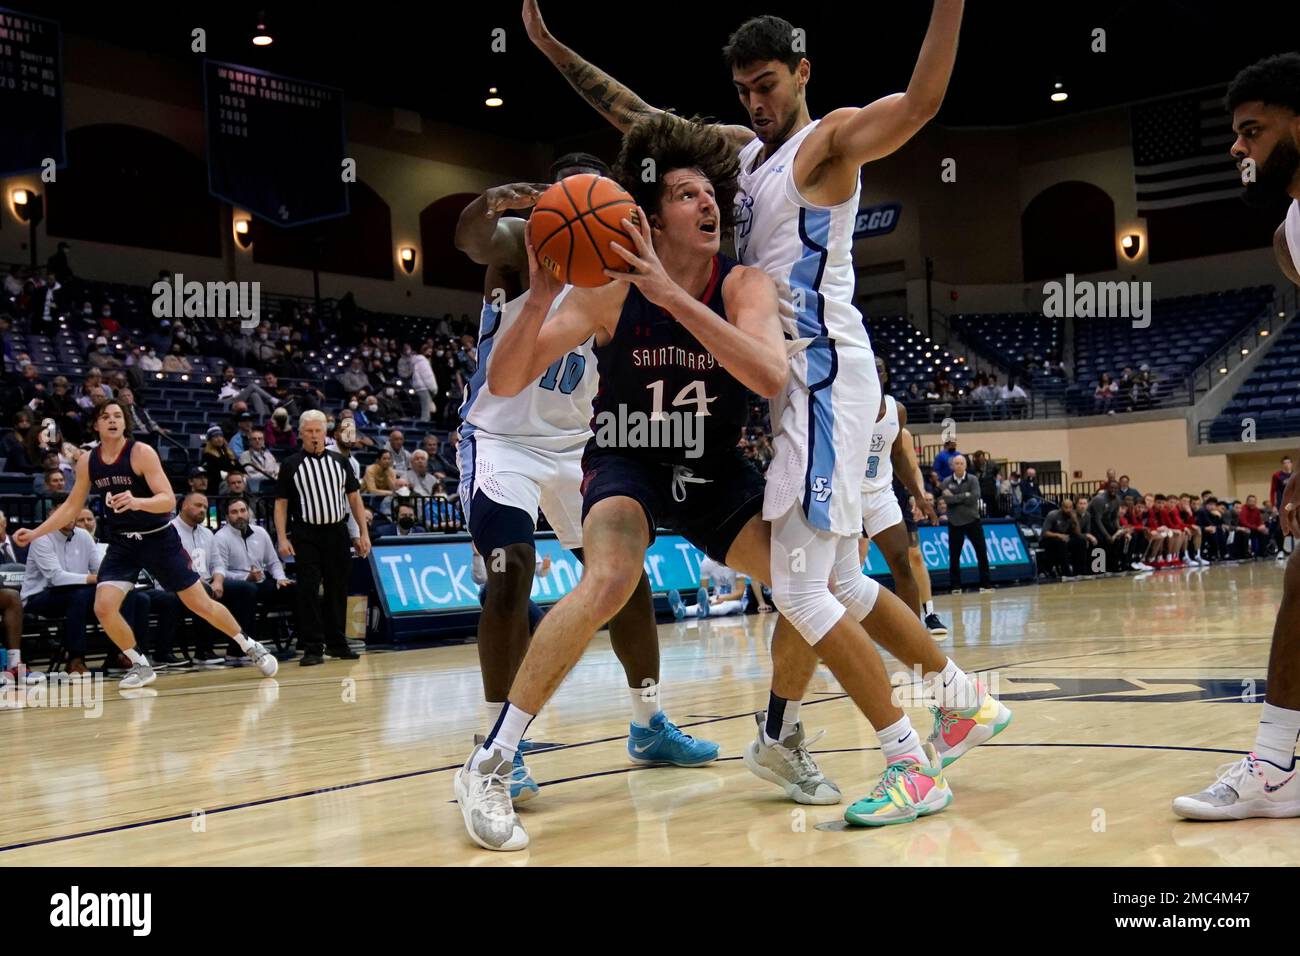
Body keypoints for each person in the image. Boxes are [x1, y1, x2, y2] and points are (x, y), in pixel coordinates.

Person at [529, 0, 1006, 828]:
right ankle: (960, 698)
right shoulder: (743, 154)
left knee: (798, 585)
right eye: (744, 88)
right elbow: (640, 116)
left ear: (802, 74)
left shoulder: (825, 149)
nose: (755, 101)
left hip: (820, 375)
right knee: (841, 577)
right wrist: (549, 46)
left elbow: (921, 103)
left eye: (768, 84)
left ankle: (910, 765)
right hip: (790, 387)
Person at [453, 149, 715, 805]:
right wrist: (495, 203)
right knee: (512, 568)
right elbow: (471, 237)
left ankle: (649, 723)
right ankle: (495, 747)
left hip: (578, 445)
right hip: (502, 438)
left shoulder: (623, 268)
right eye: (571, 191)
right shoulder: (524, 248)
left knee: (626, 578)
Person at [1175, 52, 1300, 819]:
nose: (1238, 147)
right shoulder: (1290, 230)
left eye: (1253, 131)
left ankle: (1280, 764)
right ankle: (1279, 763)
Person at [13, 400, 277, 689]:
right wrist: (36, 532)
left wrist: (136, 501)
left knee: (199, 603)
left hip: (158, 538)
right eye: (106, 416)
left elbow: (167, 499)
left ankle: (249, 644)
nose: (113, 420)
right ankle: (139, 664)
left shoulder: (141, 453)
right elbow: (72, 506)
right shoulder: (89, 461)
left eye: (118, 415)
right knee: (104, 606)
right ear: (96, 425)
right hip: (123, 543)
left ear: (125, 423)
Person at [273, 410, 371, 666]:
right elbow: (281, 504)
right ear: (301, 434)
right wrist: (282, 538)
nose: (314, 435)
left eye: (318, 431)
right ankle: (313, 647)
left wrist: (362, 532)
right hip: (306, 533)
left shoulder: (340, 462)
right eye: (309, 431)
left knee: (338, 589)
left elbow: (354, 499)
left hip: (336, 532)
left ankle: (338, 643)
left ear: (325, 433)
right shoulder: (291, 464)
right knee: (307, 590)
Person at [212, 497, 292, 658]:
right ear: (227, 517)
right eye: (234, 512)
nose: (240, 515)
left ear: (248, 513)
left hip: (260, 582)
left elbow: (273, 562)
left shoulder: (260, 533)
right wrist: (245, 577)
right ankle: (240, 649)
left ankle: (305, 642)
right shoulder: (221, 537)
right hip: (236, 586)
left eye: (243, 511)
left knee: (291, 589)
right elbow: (220, 570)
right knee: (247, 590)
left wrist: (280, 578)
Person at [941, 454, 992, 593]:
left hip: (972, 520)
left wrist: (956, 497)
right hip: (955, 522)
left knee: (981, 552)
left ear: (965, 465)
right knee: (954, 555)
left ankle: (985, 584)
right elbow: (947, 500)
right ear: (952, 466)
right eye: (956, 463)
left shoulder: (973, 479)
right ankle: (956, 586)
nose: (958, 465)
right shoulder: (946, 481)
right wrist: (965, 496)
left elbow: (975, 496)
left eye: (961, 463)